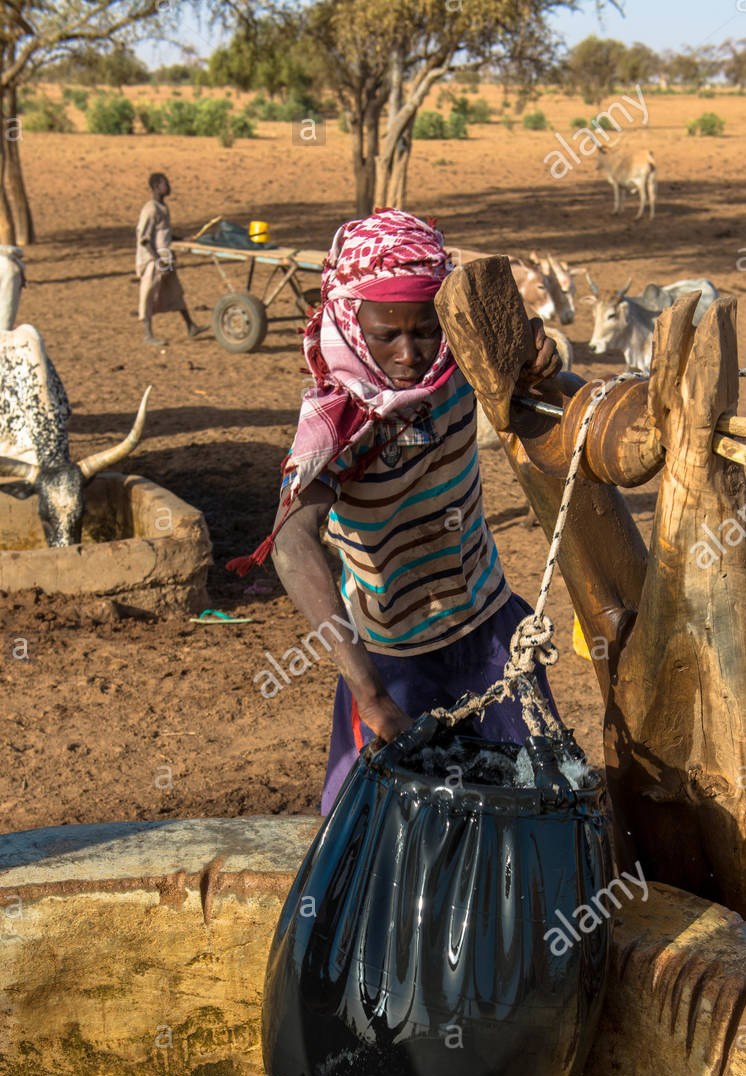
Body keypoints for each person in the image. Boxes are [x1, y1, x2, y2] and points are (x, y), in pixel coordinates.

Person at [230, 208, 562, 815]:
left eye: (425, 330)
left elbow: (544, 373)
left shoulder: (461, 368)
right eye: (387, 334)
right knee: (384, 843)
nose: (410, 354)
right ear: (351, 323)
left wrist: (540, 351)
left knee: (533, 815)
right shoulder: (337, 426)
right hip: (393, 661)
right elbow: (292, 545)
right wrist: (370, 693)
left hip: (490, 633)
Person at [135, 172, 206, 346]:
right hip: (155, 259)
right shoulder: (151, 209)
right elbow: (144, 239)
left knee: (176, 291)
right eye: (165, 184)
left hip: (165, 258)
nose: (169, 187)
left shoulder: (162, 208)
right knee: (148, 294)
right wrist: (158, 260)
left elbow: (163, 234)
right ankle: (147, 335)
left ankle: (191, 326)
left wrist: (182, 239)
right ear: (156, 187)